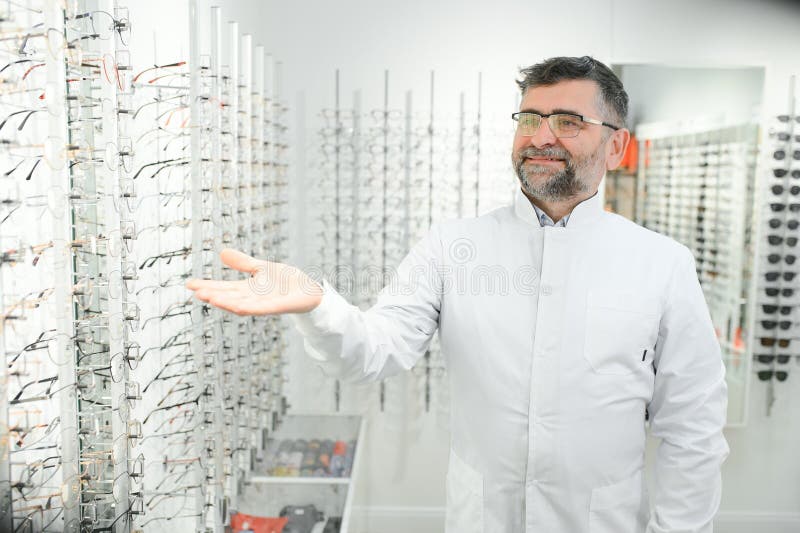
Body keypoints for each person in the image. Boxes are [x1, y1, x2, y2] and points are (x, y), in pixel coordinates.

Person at [187, 56, 729, 533]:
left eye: (568, 122)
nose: (541, 137)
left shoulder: (661, 264)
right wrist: (319, 305)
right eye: (529, 119)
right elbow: (375, 351)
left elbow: (693, 429)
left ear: (616, 145)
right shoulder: (454, 245)